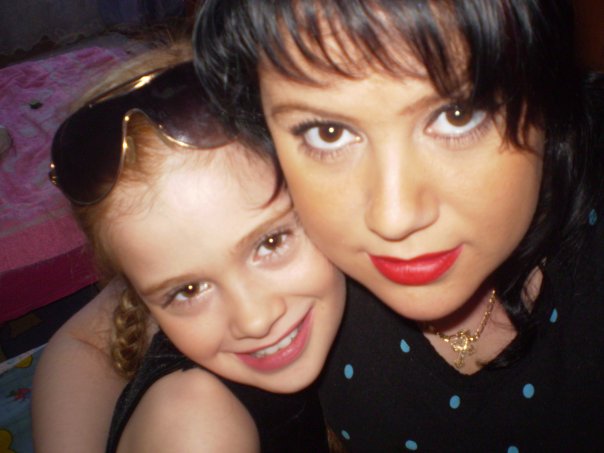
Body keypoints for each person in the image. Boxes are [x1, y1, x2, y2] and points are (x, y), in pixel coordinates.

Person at [34, 1, 604, 452]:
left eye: (457, 114)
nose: (393, 218)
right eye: (327, 132)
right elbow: (91, 338)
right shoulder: (291, 244)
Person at [36, 46, 346, 453]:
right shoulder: (199, 429)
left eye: (270, 243)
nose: (254, 320)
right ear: (141, 292)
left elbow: (79, 341)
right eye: (188, 290)